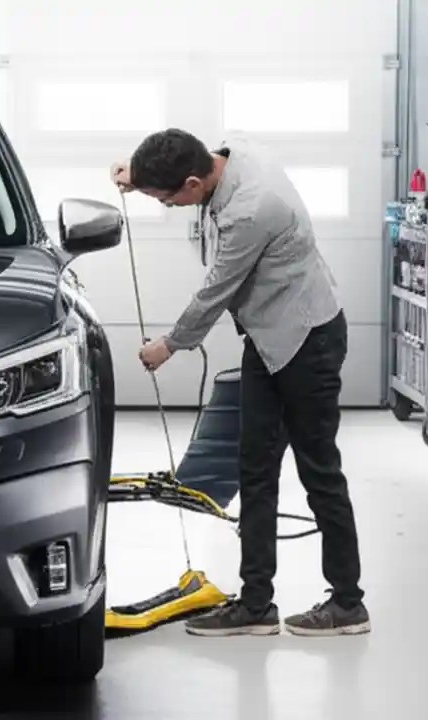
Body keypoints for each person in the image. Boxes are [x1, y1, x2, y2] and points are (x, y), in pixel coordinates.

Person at [110, 128, 369, 637]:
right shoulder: (230, 150)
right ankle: (255, 606)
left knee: (319, 473)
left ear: (191, 182)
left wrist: (170, 344)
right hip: (269, 340)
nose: (170, 208)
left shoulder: (250, 211)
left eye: (168, 200)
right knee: (254, 470)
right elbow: (178, 152)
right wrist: (139, 177)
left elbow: (216, 292)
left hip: (306, 340)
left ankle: (348, 604)